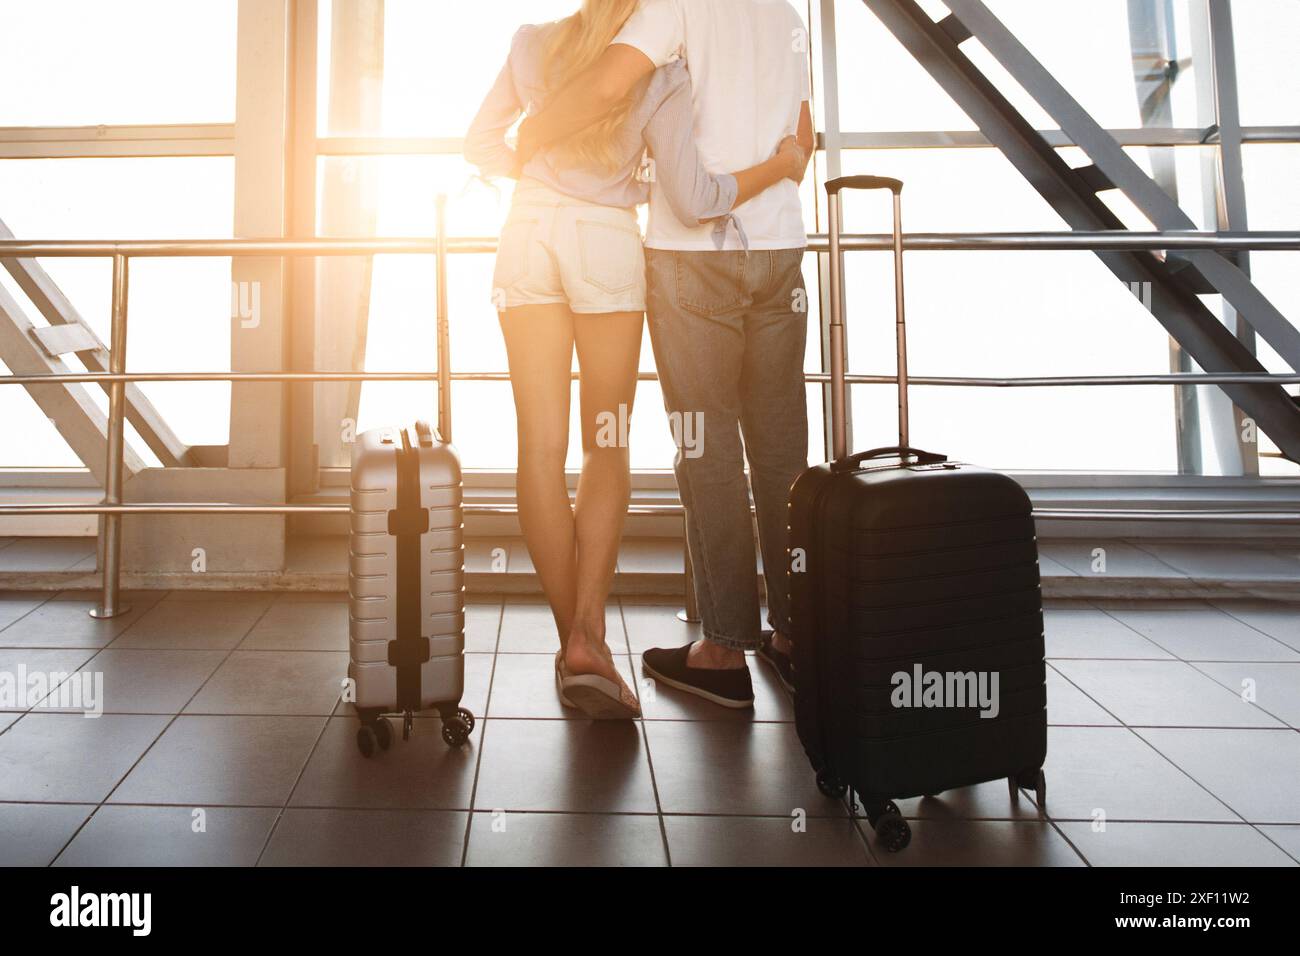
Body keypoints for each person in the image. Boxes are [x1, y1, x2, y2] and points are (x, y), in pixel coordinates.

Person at [465, 0, 808, 719]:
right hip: (616, 245)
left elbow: (481, 145)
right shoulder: (670, 70)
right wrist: (628, 185)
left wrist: (534, 165)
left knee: (539, 450)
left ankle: (580, 642)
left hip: (525, 233)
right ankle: (783, 634)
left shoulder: (529, 45)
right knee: (608, 447)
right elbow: (696, 193)